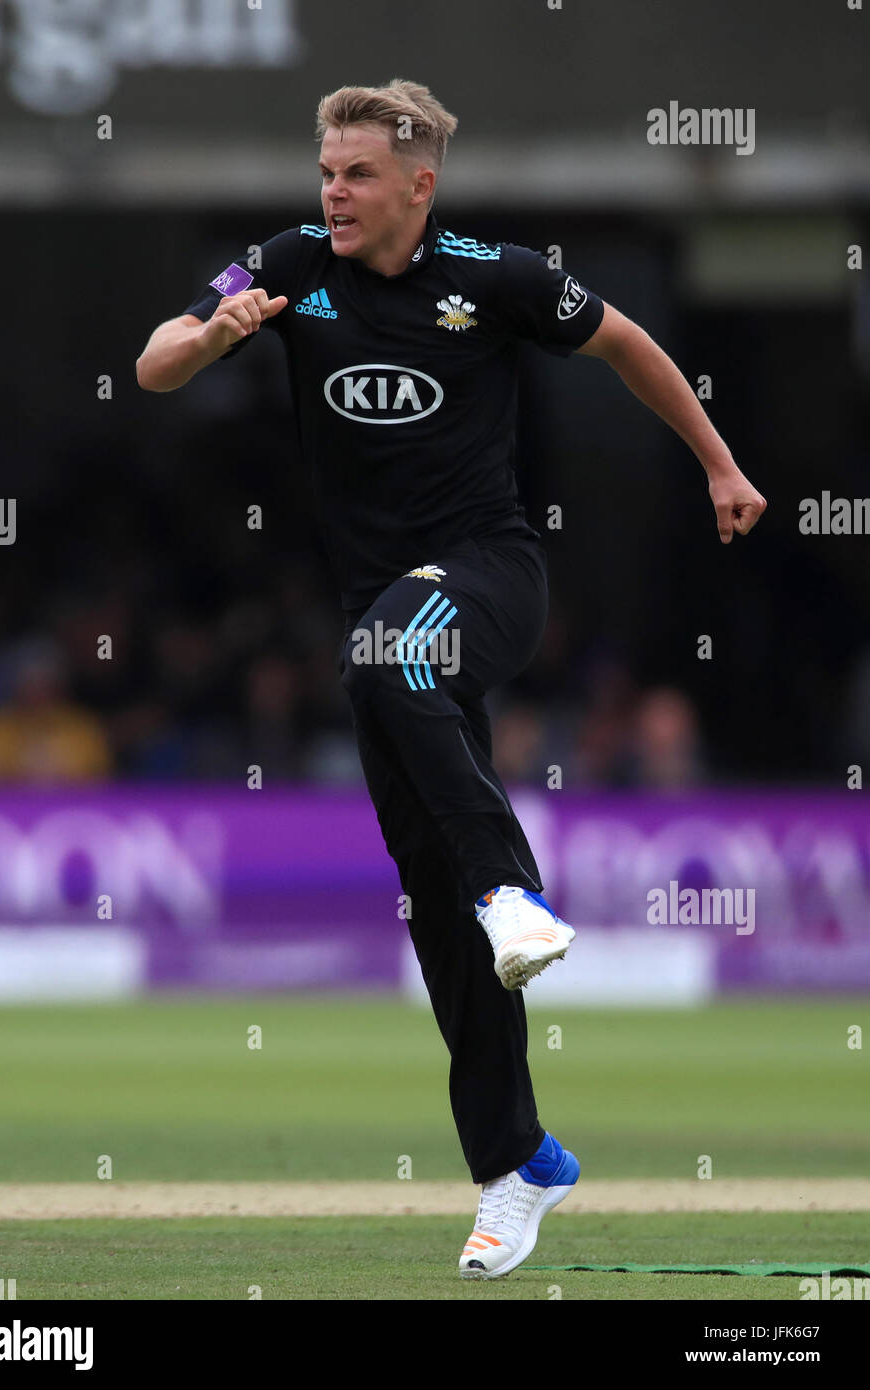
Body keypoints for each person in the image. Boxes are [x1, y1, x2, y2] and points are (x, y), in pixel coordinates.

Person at [136, 78, 767, 1279]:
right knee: (428, 894)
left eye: (359, 175)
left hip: (487, 575)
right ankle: (515, 1162)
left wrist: (720, 467)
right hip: (383, 614)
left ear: (418, 185)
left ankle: (509, 892)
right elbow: (155, 360)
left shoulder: (497, 276)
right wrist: (212, 337)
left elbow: (628, 343)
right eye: (326, 171)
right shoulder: (284, 264)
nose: (334, 192)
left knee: (387, 665)